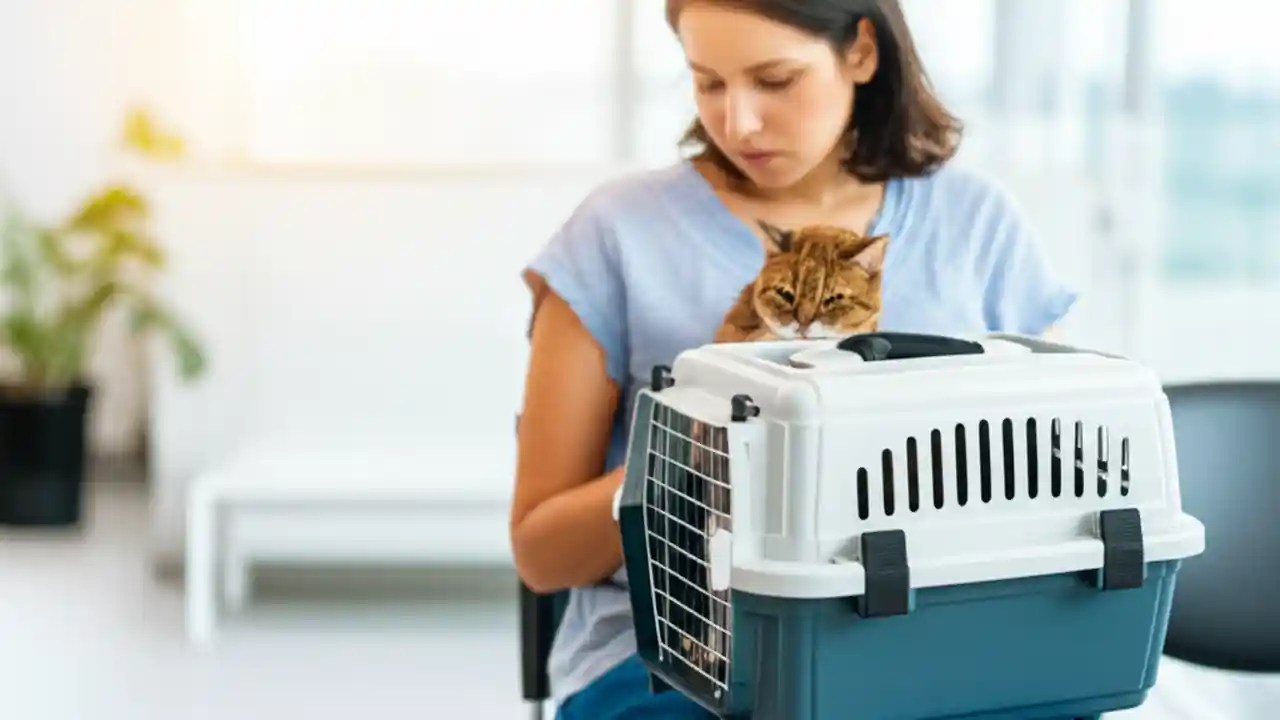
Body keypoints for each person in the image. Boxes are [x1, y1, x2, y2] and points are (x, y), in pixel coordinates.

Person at [510, 1, 1077, 717]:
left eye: (775, 80)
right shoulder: (617, 233)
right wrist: (707, 421)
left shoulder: (977, 224)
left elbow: (1058, 487)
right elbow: (543, 555)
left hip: (940, 636)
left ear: (862, 53)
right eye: (707, 82)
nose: (738, 121)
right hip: (683, 653)